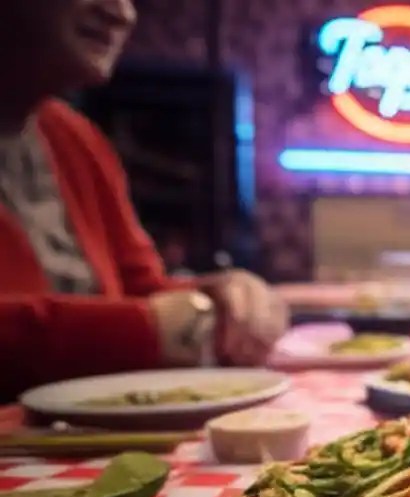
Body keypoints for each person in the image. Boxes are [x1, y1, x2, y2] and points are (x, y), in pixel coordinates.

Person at [0, 0, 286, 401]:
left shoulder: (75, 138)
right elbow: (145, 320)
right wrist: (147, 329)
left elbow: (140, 292)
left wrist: (222, 297)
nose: (123, 13)